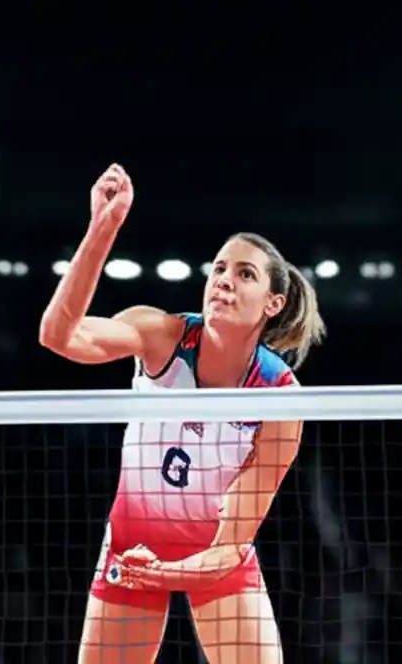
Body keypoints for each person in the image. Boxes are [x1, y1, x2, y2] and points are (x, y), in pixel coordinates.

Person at [38, 164, 327, 664]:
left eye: (244, 274)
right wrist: (102, 228)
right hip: (131, 546)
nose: (224, 281)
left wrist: (167, 573)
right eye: (218, 269)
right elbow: (59, 337)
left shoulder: (280, 396)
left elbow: (232, 544)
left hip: (217, 560)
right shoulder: (161, 338)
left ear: (272, 303)